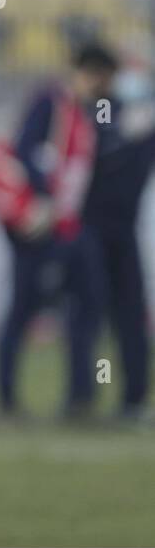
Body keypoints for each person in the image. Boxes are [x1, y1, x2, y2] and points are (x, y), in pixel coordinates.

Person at [0, 43, 115, 419]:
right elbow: (24, 148)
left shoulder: (84, 114)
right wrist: (43, 195)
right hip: (41, 226)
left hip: (72, 228)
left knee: (87, 306)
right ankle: (7, 400)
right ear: (91, 73)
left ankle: (80, 398)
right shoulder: (51, 102)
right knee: (23, 310)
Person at [73, 61, 155, 420]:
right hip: (93, 230)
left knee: (128, 318)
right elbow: (96, 151)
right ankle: (82, 398)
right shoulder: (103, 114)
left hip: (122, 230)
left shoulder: (141, 122)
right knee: (88, 316)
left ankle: (132, 400)